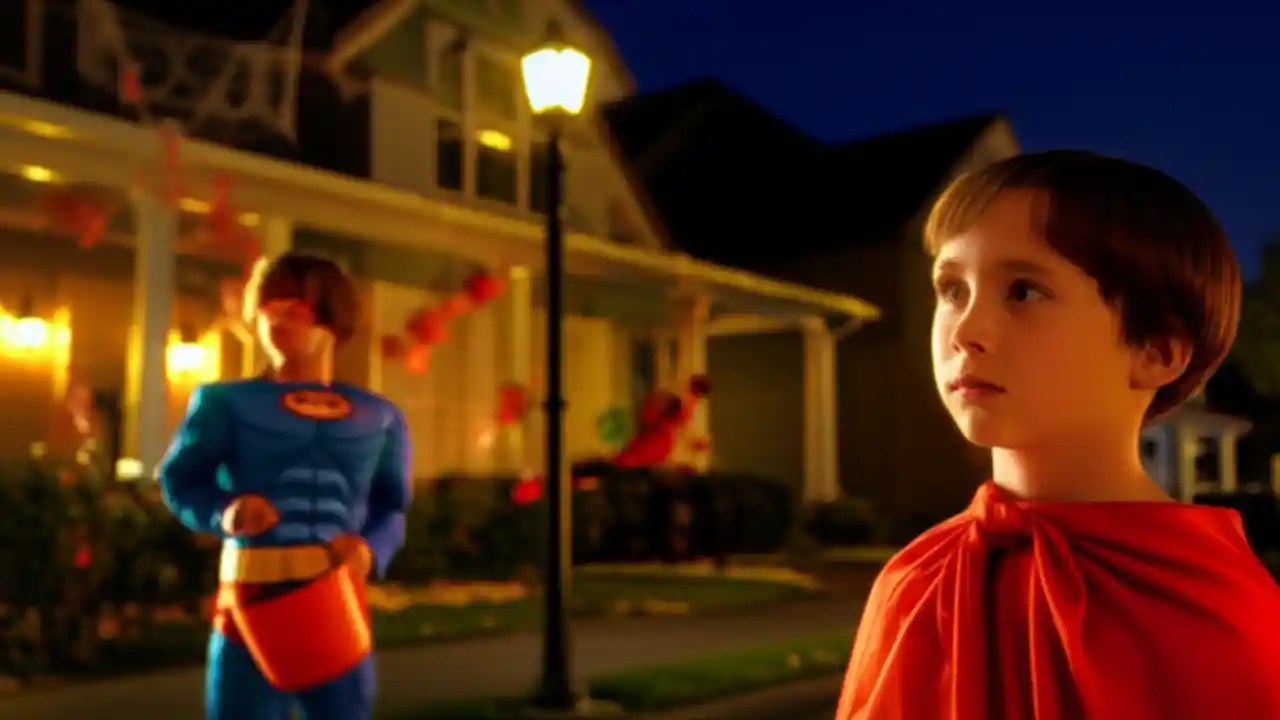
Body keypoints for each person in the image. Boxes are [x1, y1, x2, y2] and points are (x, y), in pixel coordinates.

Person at [836, 151, 1280, 719]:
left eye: (1024, 291)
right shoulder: (914, 581)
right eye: (951, 290)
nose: (965, 331)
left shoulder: (1215, 612)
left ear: (1156, 352)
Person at [158, 253, 412, 720]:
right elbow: (180, 480)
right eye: (269, 306)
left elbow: (392, 507)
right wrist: (225, 513)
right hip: (249, 604)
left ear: (331, 317)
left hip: (335, 602)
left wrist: (370, 551)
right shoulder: (224, 402)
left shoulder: (380, 416)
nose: (278, 318)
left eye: (295, 307)